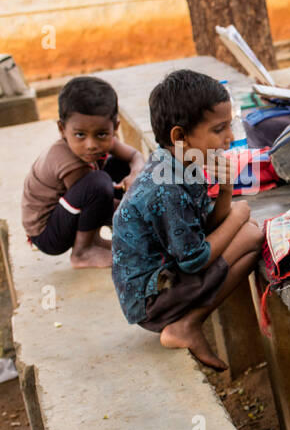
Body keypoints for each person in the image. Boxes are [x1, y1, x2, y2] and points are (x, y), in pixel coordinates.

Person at [110, 70, 264, 370]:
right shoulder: (165, 186)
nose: (230, 137)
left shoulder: (182, 162)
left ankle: (189, 322)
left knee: (249, 234)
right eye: (219, 129)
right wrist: (239, 215)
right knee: (249, 234)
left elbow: (207, 227)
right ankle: (184, 325)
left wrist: (227, 190)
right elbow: (195, 260)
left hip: (166, 281)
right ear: (180, 136)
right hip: (151, 300)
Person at [23, 77, 144, 269]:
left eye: (102, 134)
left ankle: (103, 239)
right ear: (62, 129)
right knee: (99, 183)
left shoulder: (101, 137)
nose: (91, 145)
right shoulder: (67, 161)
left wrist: (136, 173)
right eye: (80, 135)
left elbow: (135, 156)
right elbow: (98, 202)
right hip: (48, 233)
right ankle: (82, 251)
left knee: (121, 166)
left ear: (114, 128)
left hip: (73, 209)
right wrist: (140, 212)